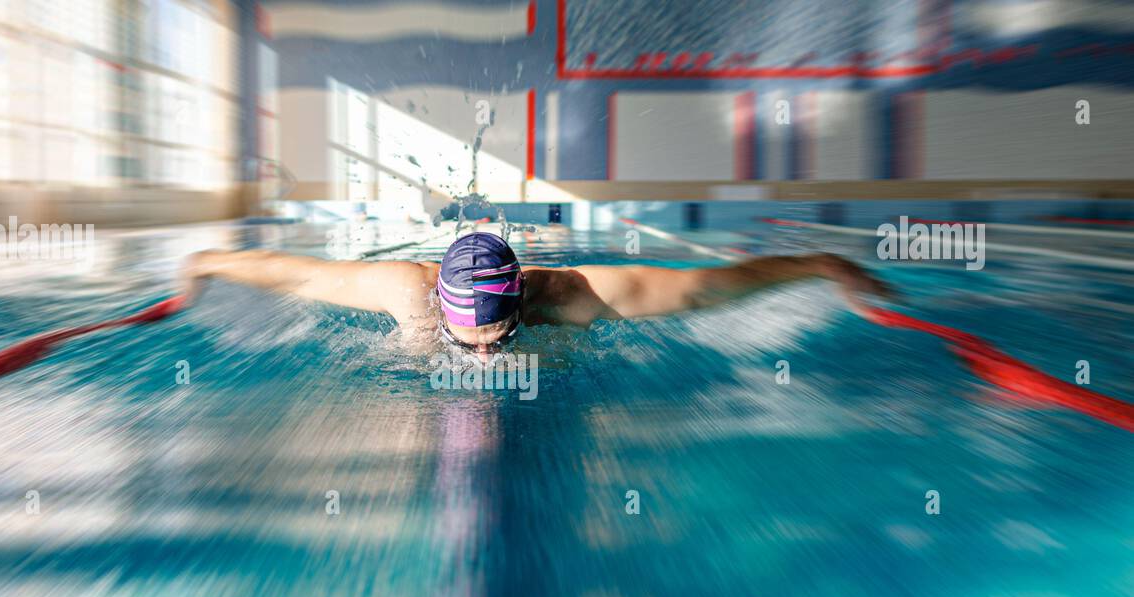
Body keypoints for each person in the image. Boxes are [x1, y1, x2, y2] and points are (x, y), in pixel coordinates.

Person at [181, 231, 895, 356]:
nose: (487, 360)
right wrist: (209, 259)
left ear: (523, 304)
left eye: (502, 341)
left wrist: (820, 264)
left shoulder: (576, 296)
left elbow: (705, 290)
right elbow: (296, 272)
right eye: (473, 343)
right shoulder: (403, 290)